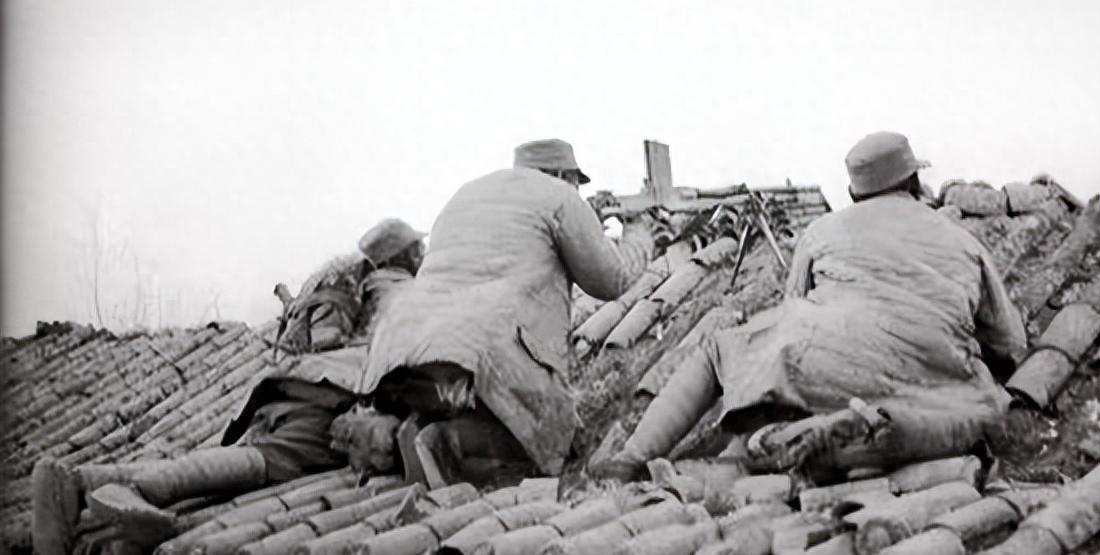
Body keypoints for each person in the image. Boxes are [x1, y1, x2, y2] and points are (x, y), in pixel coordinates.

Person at [595, 131, 1027, 480]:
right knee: (977, 410)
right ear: (914, 182)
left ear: (854, 193)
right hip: (928, 377)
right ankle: (855, 439)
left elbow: (794, 304)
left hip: (823, 360)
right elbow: (1009, 342)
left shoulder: (823, 230)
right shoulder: (963, 241)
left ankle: (633, 456)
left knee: (717, 350)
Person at [33, 218, 427, 553]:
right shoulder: (397, 287)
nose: (423, 257)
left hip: (282, 390)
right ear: (405, 256)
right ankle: (145, 488)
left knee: (241, 459)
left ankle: (81, 481)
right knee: (278, 459)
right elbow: (405, 344)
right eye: (418, 250)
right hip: (333, 393)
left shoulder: (343, 283)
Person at [359, 139, 657, 486]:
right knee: (549, 443)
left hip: (402, 351)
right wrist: (641, 232)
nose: (575, 189)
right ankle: (446, 441)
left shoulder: (467, 194)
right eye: (574, 181)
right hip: (479, 355)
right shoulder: (559, 196)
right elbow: (613, 280)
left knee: (455, 399)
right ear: (562, 174)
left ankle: (416, 429)